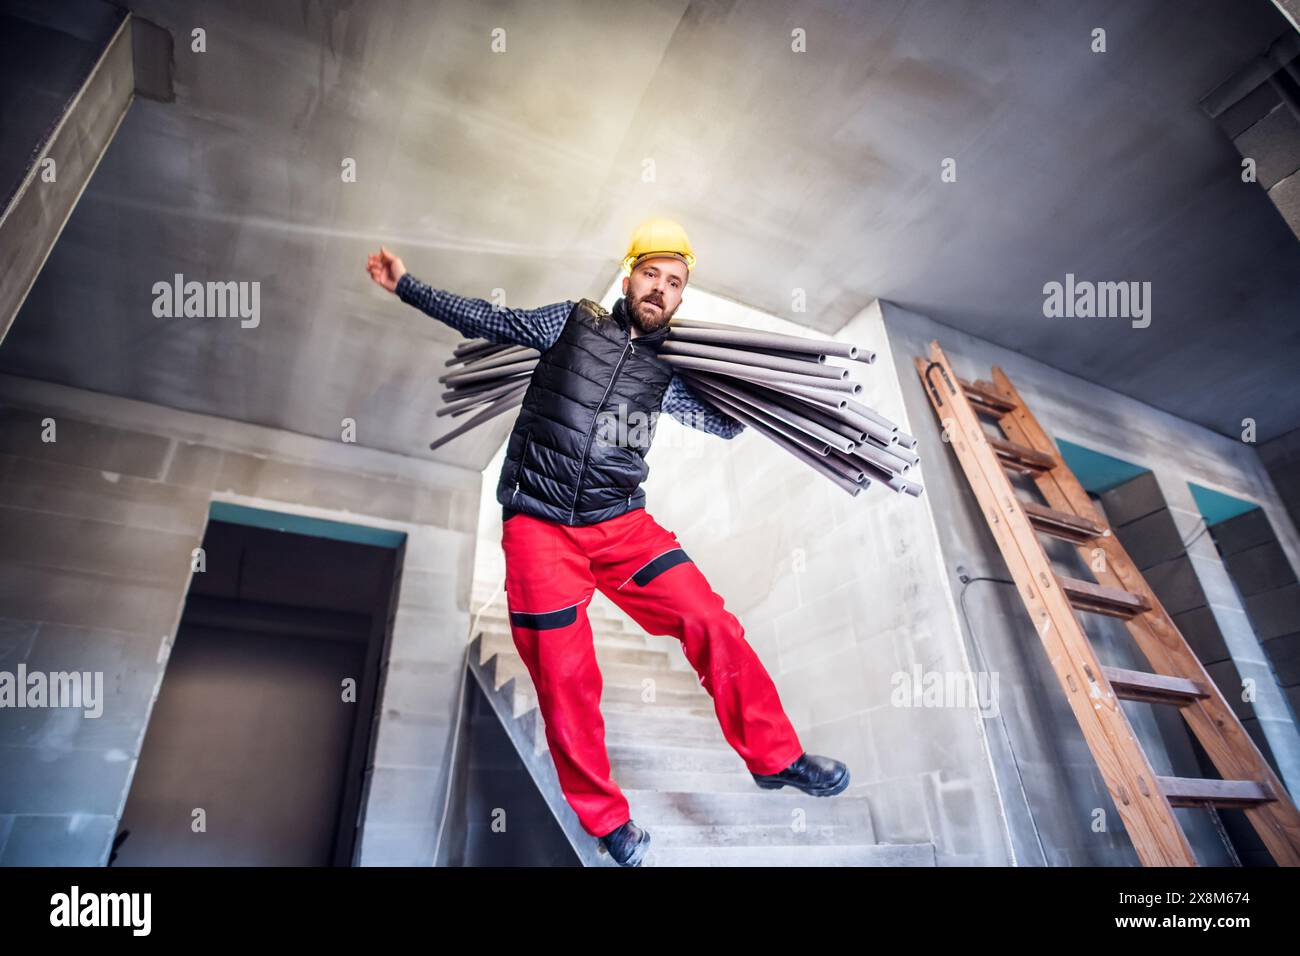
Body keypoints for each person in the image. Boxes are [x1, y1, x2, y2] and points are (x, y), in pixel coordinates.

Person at [367, 218, 849, 867]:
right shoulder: (571, 323)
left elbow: (722, 426)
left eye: (674, 282)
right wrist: (407, 286)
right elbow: (486, 318)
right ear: (629, 275)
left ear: (681, 298)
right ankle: (607, 820)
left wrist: (760, 391)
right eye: (652, 273)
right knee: (565, 676)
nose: (660, 288)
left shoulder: (668, 371)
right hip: (538, 524)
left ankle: (775, 757)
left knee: (710, 620)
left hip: (619, 522)